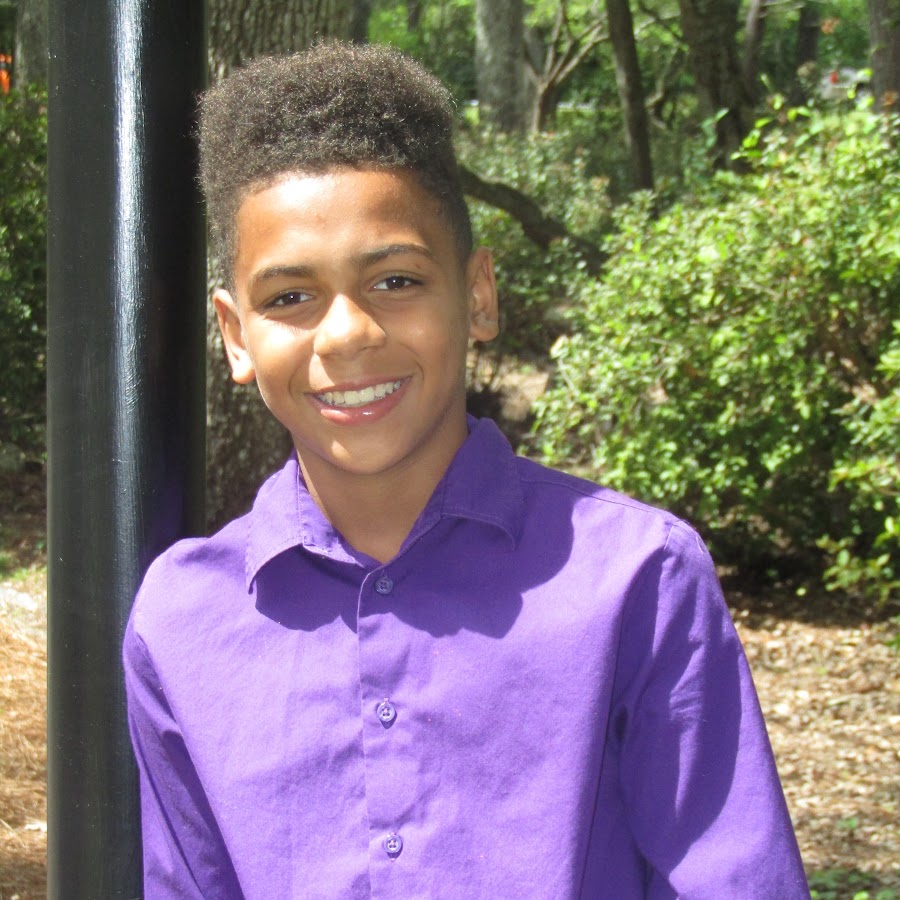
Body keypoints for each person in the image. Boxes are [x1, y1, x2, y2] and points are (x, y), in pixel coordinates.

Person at [123, 43, 809, 899]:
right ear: (235, 335)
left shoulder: (636, 578)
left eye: (395, 279)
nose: (347, 333)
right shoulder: (182, 621)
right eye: (289, 297)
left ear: (478, 295)